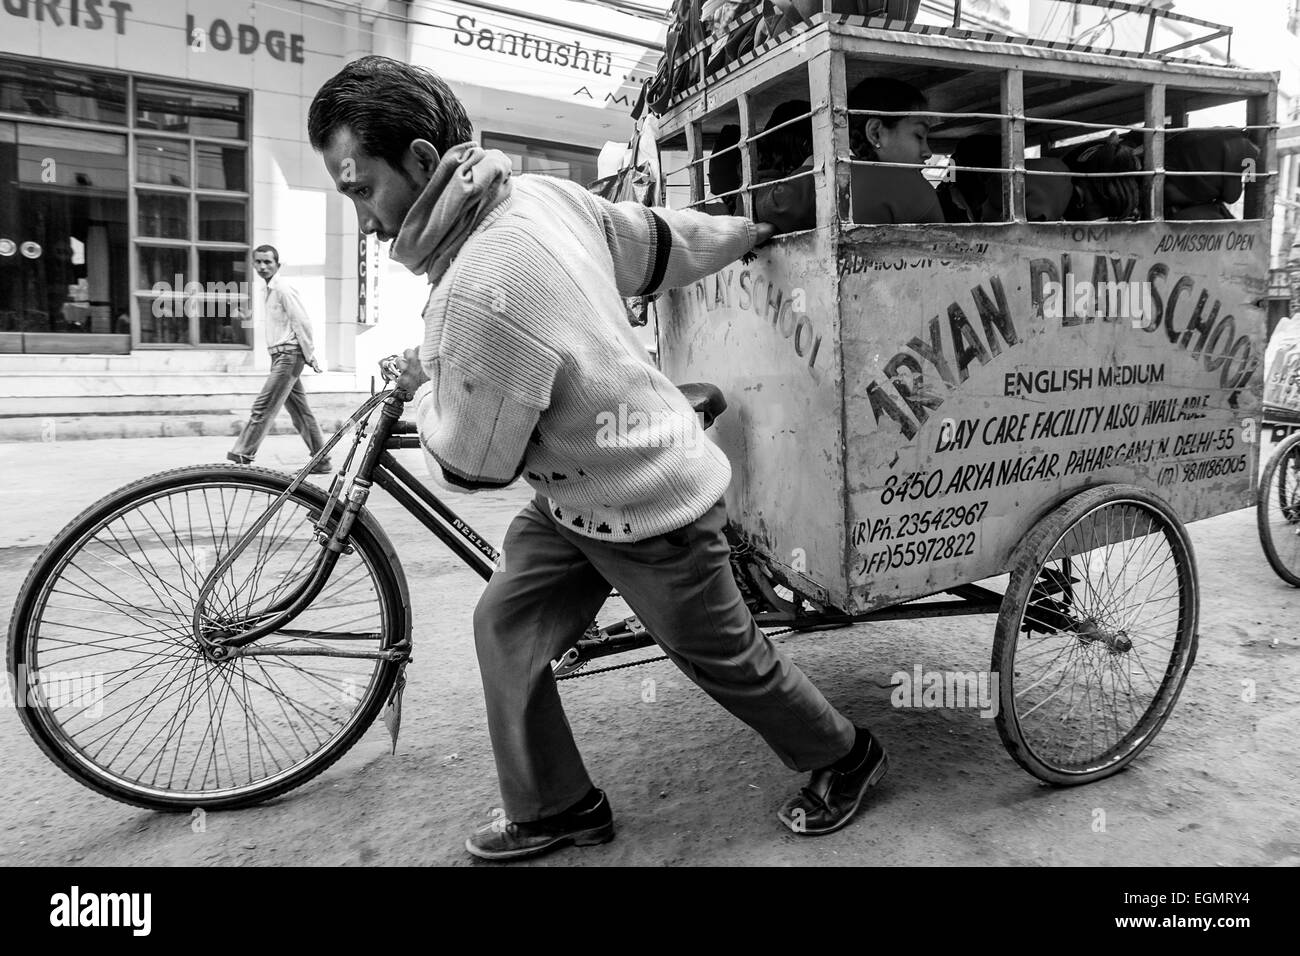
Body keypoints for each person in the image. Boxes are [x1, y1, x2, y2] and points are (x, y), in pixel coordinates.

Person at [307, 55, 886, 861]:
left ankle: (847, 755)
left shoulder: (479, 284)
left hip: (652, 501)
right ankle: (558, 806)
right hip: (577, 495)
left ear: (417, 162)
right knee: (505, 622)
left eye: (360, 190)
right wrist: (746, 233)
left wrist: (428, 390)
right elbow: (657, 242)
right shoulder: (531, 194)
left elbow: (474, 464)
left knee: (725, 659)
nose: (364, 219)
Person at [227, 245, 331, 474]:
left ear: (277, 265)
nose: (263, 266)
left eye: (268, 262)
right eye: (258, 262)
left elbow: (302, 322)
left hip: (289, 355)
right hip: (280, 356)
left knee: (263, 407)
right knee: (300, 412)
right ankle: (322, 460)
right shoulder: (267, 291)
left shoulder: (283, 288)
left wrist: (310, 354)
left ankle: (242, 456)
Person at [847, 77, 945, 224]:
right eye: (919, 135)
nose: (928, 152)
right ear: (876, 133)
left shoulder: (813, 181)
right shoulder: (912, 188)